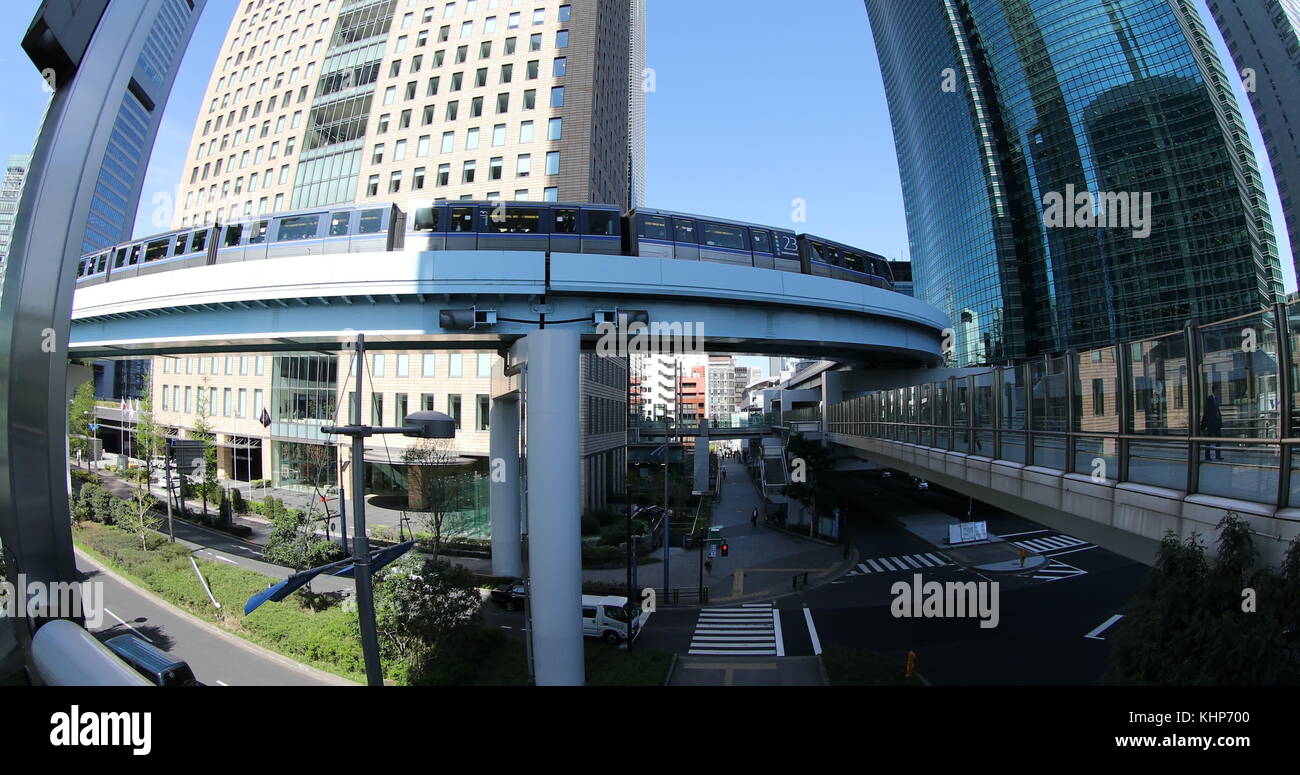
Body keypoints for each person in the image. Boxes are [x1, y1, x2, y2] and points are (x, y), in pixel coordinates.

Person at [1201, 391, 1224, 461]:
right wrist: (1204, 426)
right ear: (1215, 391)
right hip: (1210, 424)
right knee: (1208, 441)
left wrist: (1220, 422)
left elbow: (1217, 412)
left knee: (1218, 441)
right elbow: (1206, 413)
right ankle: (1207, 456)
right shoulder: (1210, 399)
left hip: (1216, 424)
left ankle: (1218, 455)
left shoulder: (1216, 399)